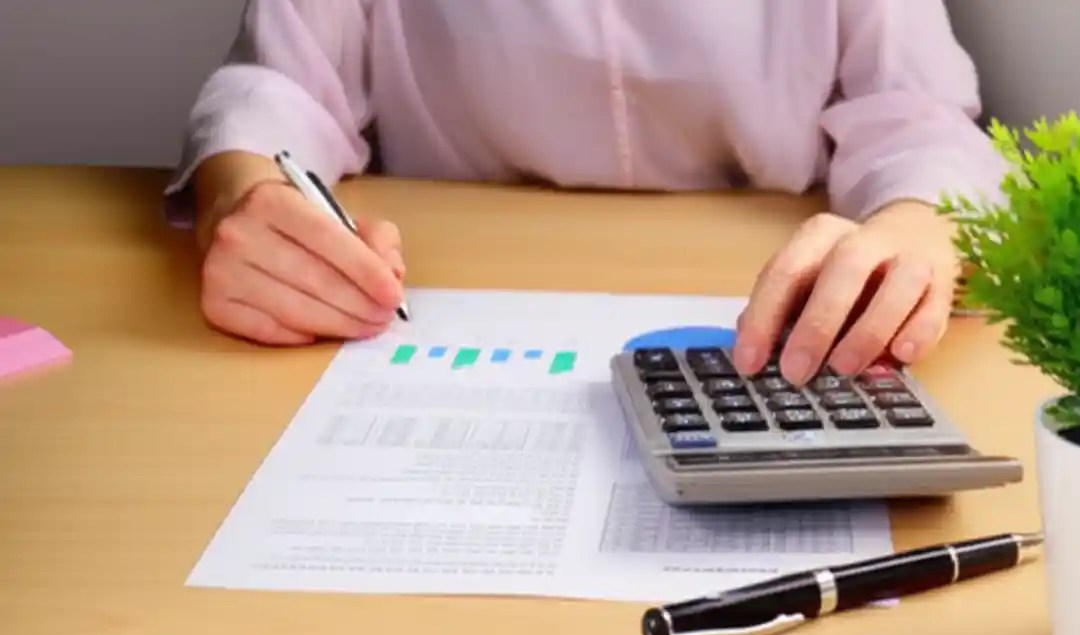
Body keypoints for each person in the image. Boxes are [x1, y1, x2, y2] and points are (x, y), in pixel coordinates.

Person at [166, 0, 1007, 386]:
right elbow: (278, 89)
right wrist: (242, 192)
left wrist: (923, 220)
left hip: (763, 316)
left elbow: (920, 118)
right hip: (447, 327)